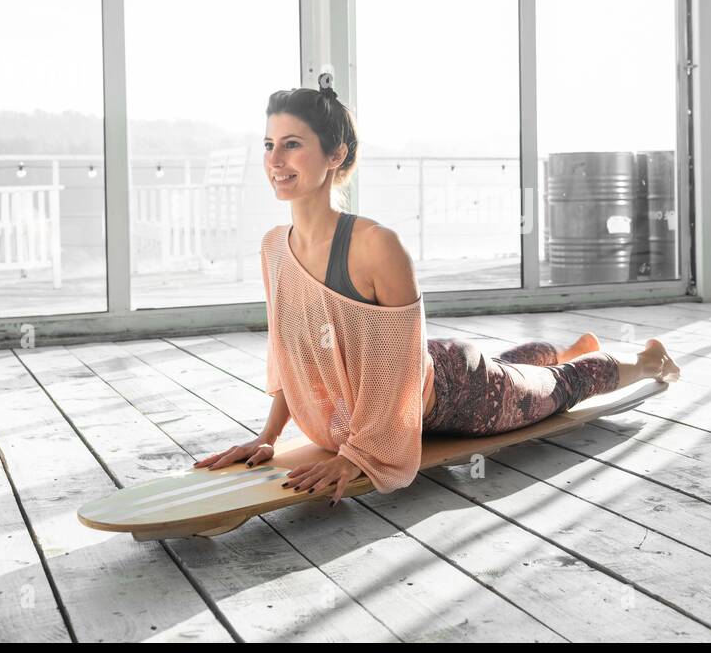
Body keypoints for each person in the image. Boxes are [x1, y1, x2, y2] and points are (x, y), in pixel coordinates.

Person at [194, 85, 680, 505]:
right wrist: (268, 438)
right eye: (268, 145)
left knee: (561, 389)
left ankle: (646, 359)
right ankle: (570, 347)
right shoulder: (274, 249)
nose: (275, 161)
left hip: (452, 392)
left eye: (292, 144)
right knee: (518, 370)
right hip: (406, 382)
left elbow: (400, 371)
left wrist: (359, 457)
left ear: (335, 155)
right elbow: (292, 357)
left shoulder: (376, 246)